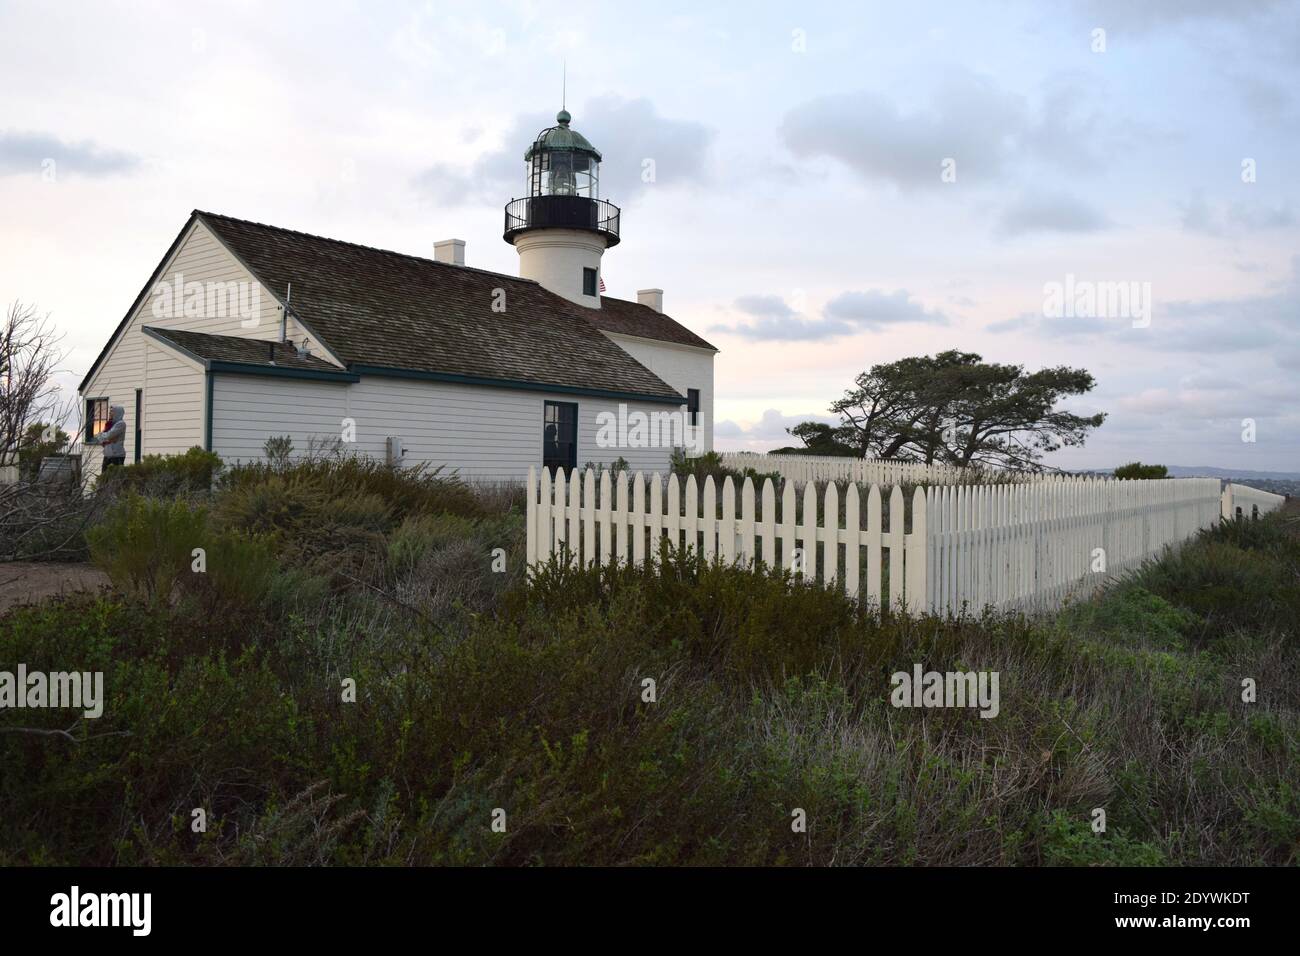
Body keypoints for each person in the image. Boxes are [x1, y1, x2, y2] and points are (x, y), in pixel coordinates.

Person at [88, 404, 127, 470]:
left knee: (115, 478)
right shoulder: (109, 424)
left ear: (117, 412)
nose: (109, 413)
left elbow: (109, 435)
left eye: (112, 411)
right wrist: (105, 438)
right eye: (110, 411)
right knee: (104, 478)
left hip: (117, 455)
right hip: (107, 454)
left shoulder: (121, 424)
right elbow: (101, 439)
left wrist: (102, 435)